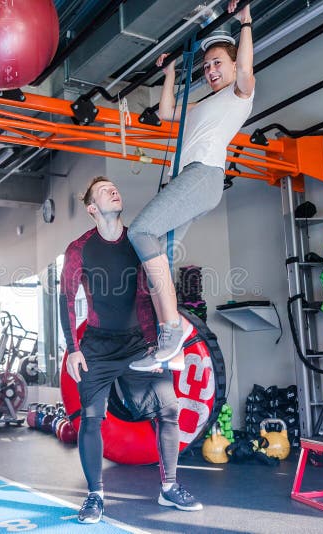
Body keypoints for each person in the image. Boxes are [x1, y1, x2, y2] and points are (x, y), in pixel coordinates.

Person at [60, 176, 202, 525]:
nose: (113, 190)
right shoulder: (79, 249)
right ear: (92, 208)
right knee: (91, 418)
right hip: (97, 347)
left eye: (114, 187)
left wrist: (164, 340)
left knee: (168, 411)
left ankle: (169, 487)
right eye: (103, 190)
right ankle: (95, 495)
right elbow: (65, 298)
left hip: (140, 344)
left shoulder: (140, 240)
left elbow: (160, 289)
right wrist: (73, 348)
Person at [128, 0, 255, 372]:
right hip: (190, 181)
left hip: (204, 174)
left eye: (218, 63)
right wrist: (170, 73)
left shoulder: (239, 95)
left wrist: (245, 22)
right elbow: (167, 113)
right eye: (207, 65)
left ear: (232, 64)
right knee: (157, 259)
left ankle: (171, 331)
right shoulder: (202, 105)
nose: (211, 70)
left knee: (139, 231)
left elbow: (246, 69)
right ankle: (173, 350)